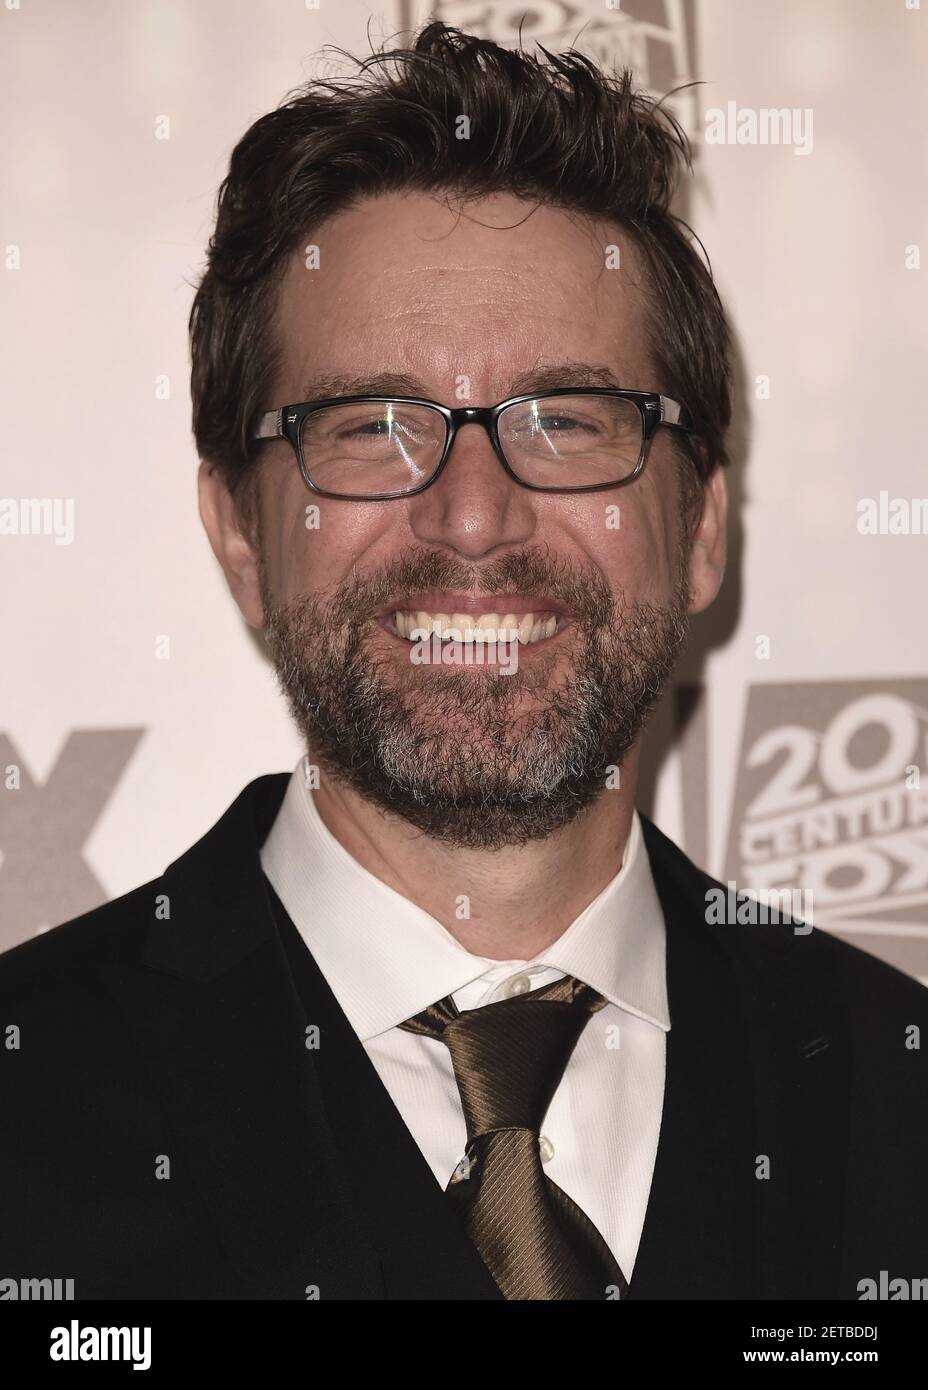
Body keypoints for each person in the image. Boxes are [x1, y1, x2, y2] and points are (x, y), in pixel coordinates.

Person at [1, 22, 925, 1302]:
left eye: (567, 419)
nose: (474, 514)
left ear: (700, 529)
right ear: (239, 534)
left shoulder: (898, 1092)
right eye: (374, 427)